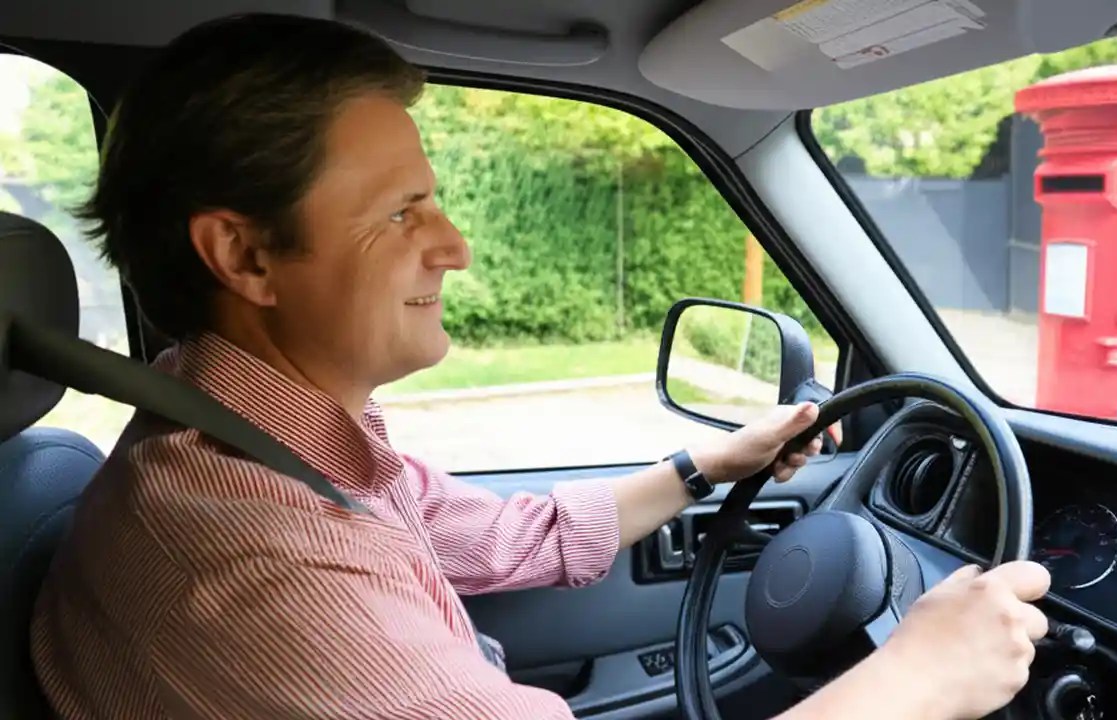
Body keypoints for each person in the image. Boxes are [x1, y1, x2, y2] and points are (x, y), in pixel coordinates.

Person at [30, 13, 1050, 720]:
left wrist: (707, 466)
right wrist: (916, 679)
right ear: (245, 255)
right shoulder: (245, 553)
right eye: (402, 212)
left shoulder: (272, 442)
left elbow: (500, 536)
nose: (455, 246)